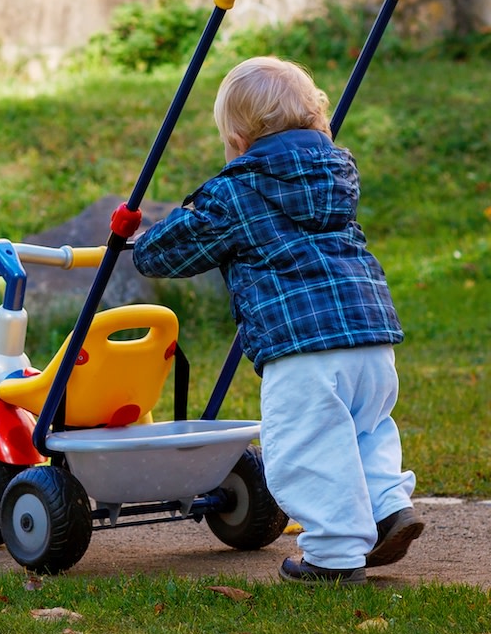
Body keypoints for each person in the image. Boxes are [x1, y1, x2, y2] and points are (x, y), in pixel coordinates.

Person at [131, 56, 423, 585]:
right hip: (372, 338)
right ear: (317, 121)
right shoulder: (337, 174)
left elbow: (163, 255)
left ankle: (334, 555)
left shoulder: (236, 192)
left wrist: (140, 237)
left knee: (306, 447)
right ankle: (388, 508)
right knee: (366, 430)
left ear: (239, 140)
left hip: (302, 346)